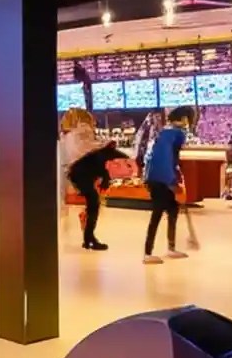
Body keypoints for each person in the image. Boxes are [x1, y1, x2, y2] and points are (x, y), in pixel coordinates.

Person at [60, 107, 130, 251]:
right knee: (94, 204)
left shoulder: (66, 135)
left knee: (93, 203)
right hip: (84, 170)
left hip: (76, 172)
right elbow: (92, 148)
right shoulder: (84, 129)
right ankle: (89, 238)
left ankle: (89, 238)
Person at [143, 108, 191, 264]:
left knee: (172, 208)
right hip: (159, 178)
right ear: (184, 119)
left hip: (153, 176)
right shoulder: (175, 134)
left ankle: (171, 247)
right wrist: (171, 181)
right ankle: (147, 253)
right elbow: (165, 158)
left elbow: (169, 158)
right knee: (157, 213)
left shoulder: (165, 132)